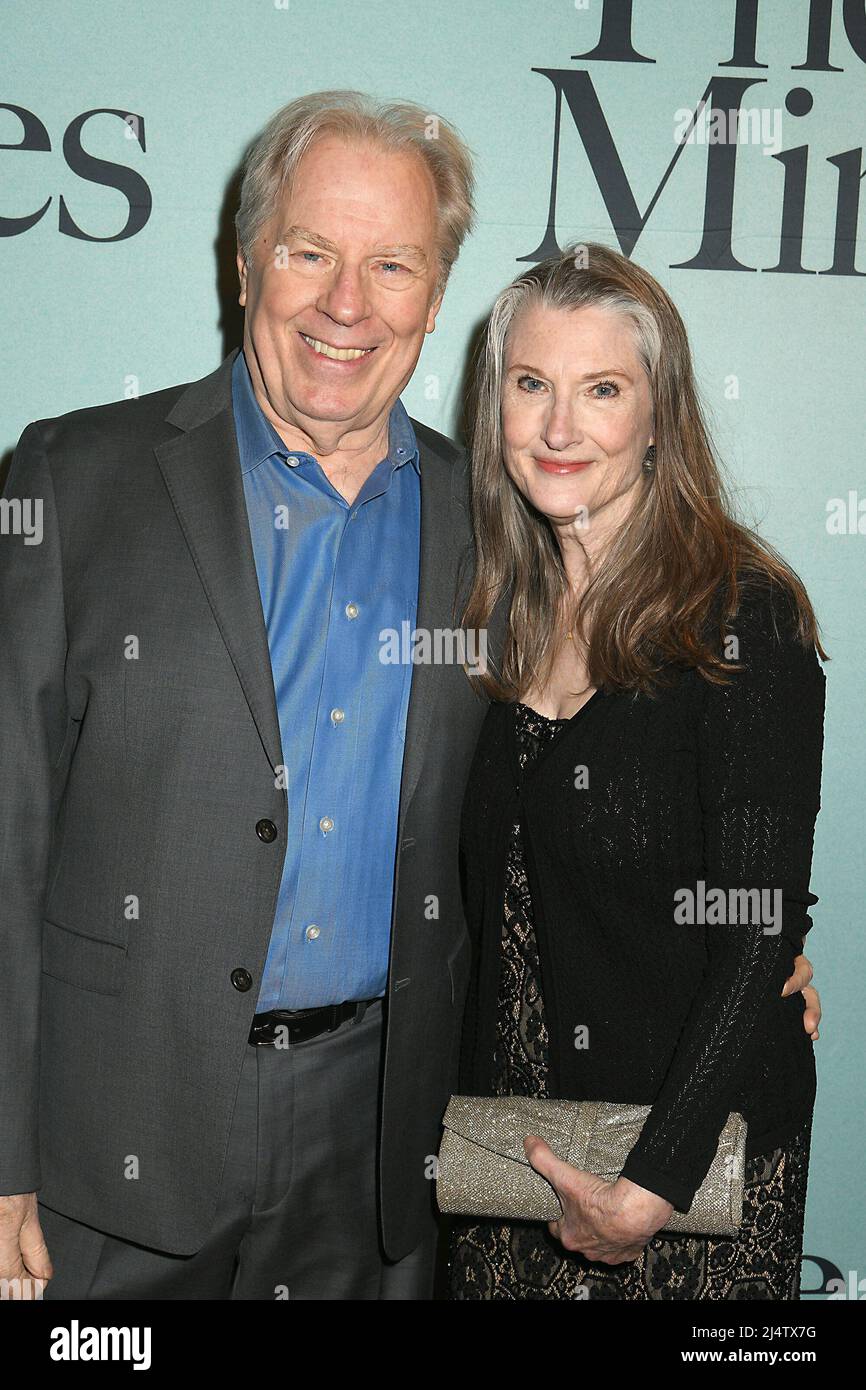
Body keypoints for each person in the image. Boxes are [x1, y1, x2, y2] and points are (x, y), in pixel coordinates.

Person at [0, 93, 819, 1302]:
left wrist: (757, 959)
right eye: (310, 252)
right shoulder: (74, 480)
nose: (347, 303)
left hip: (383, 1157)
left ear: (433, 301)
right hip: (106, 1152)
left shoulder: (487, 531)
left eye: (393, 265)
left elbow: (626, 814)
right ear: (243, 265)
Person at [448, 243, 826, 1300]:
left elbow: (757, 920)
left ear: (657, 417)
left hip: (681, 1177)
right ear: (496, 408)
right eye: (530, 385)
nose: (559, 426)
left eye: (600, 389)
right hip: (505, 1161)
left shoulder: (738, 613)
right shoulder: (492, 612)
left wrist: (652, 1183)